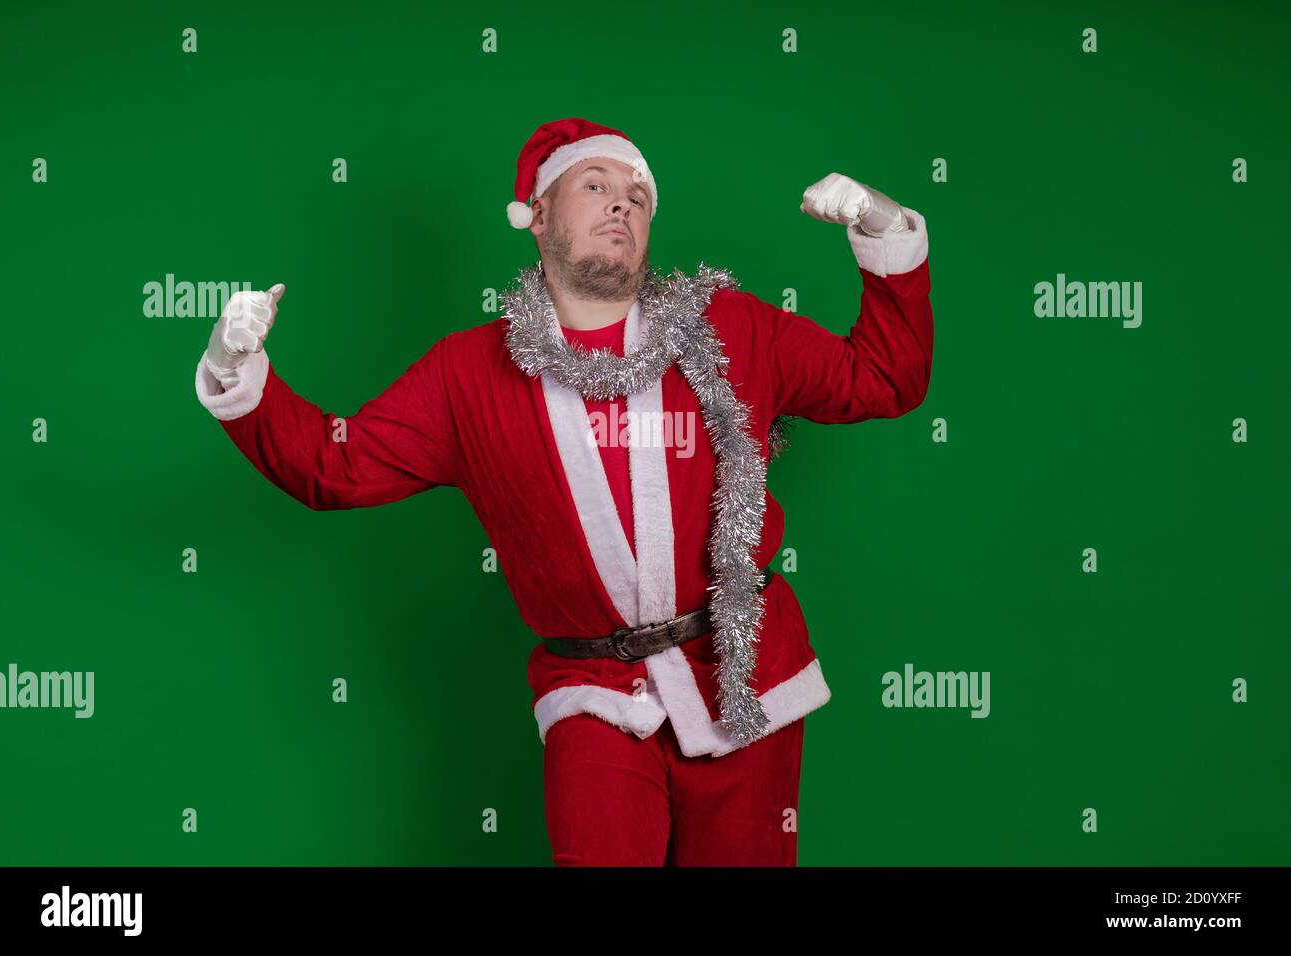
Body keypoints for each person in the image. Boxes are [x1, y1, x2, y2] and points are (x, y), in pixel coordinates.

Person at [194, 117, 934, 866]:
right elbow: (333, 466)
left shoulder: (734, 330)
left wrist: (882, 229)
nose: (623, 204)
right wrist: (236, 368)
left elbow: (885, 377)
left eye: (638, 197)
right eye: (596, 185)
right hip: (592, 693)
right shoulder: (466, 376)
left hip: (745, 676)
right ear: (537, 214)